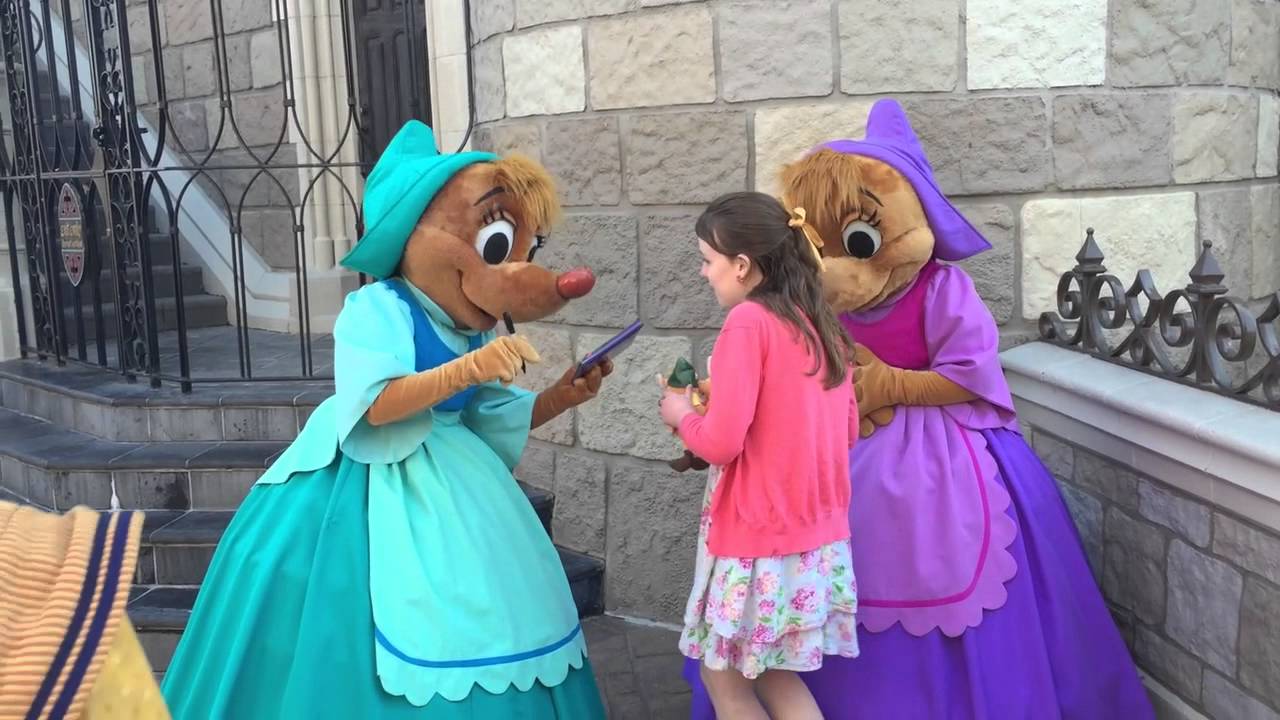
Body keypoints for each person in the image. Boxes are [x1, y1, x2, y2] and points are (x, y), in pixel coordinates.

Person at [160, 121, 610, 718]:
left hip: (459, 483)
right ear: (415, 235)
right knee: (336, 606)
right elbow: (376, 402)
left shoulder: (466, 326)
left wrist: (560, 395)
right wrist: (469, 370)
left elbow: (483, 417)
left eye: (526, 251)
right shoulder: (378, 308)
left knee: (498, 607)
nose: (518, 271)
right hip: (362, 479)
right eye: (498, 246)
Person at [658, 191, 860, 720]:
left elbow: (721, 444)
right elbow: (846, 431)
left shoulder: (748, 323)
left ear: (743, 265)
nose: (704, 273)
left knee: (722, 678)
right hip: (813, 541)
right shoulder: (821, 325)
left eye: (708, 260)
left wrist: (682, 413)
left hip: (755, 539)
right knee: (775, 676)